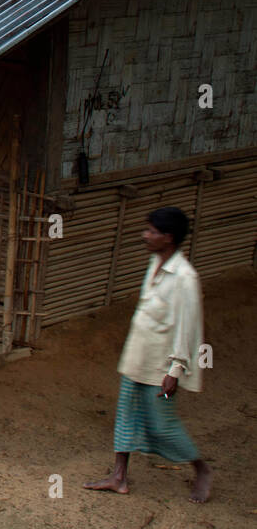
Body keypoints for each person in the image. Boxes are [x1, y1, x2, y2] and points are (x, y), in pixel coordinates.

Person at [84, 207, 210, 502]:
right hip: (138, 357)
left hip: (160, 368)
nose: (145, 235)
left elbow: (187, 327)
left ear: (168, 238)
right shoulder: (155, 262)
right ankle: (119, 476)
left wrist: (175, 370)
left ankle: (202, 469)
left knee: (162, 424)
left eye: (152, 231)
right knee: (126, 414)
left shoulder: (185, 278)